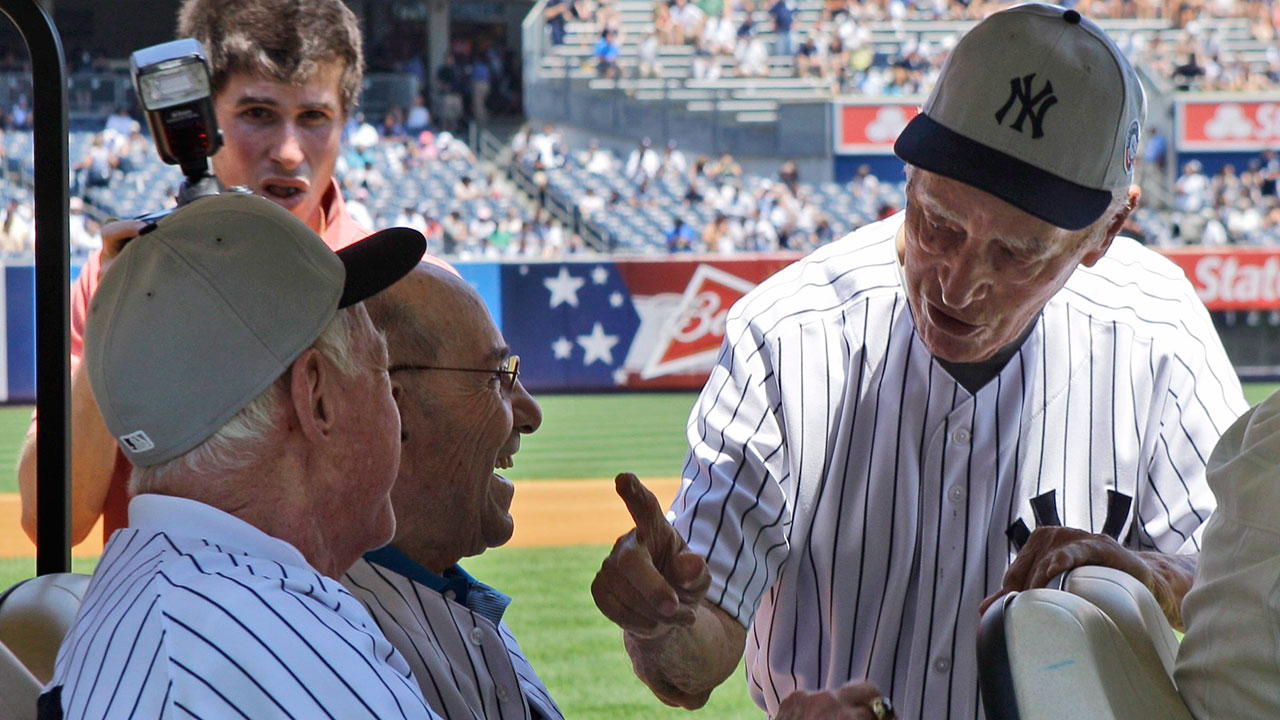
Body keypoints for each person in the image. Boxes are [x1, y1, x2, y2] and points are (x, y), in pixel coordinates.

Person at [590, 6, 1247, 719]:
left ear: (1106, 231)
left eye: (1014, 254)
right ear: (909, 176)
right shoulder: (788, 333)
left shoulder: (1159, 329)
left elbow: (1240, 581)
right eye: (939, 225)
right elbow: (696, 659)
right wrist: (662, 624)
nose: (958, 282)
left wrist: (1147, 572)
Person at [17, 0, 453, 549]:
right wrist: (120, 310)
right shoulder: (120, 281)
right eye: (258, 114)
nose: (289, 152)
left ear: (346, 123)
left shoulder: (408, 281)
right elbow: (50, 516)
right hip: (176, 626)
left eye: (314, 117)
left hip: (349, 629)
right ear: (203, 117)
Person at [40, 191, 442, 719]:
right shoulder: (246, 647)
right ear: (316, 398)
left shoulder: (185, 602)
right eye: (382, 371)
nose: (397, 407)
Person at [341, 264, 563, 719]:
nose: (530, 412)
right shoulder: (338, 635)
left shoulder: (448, 593)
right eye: (495, 376)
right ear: (392, 407)